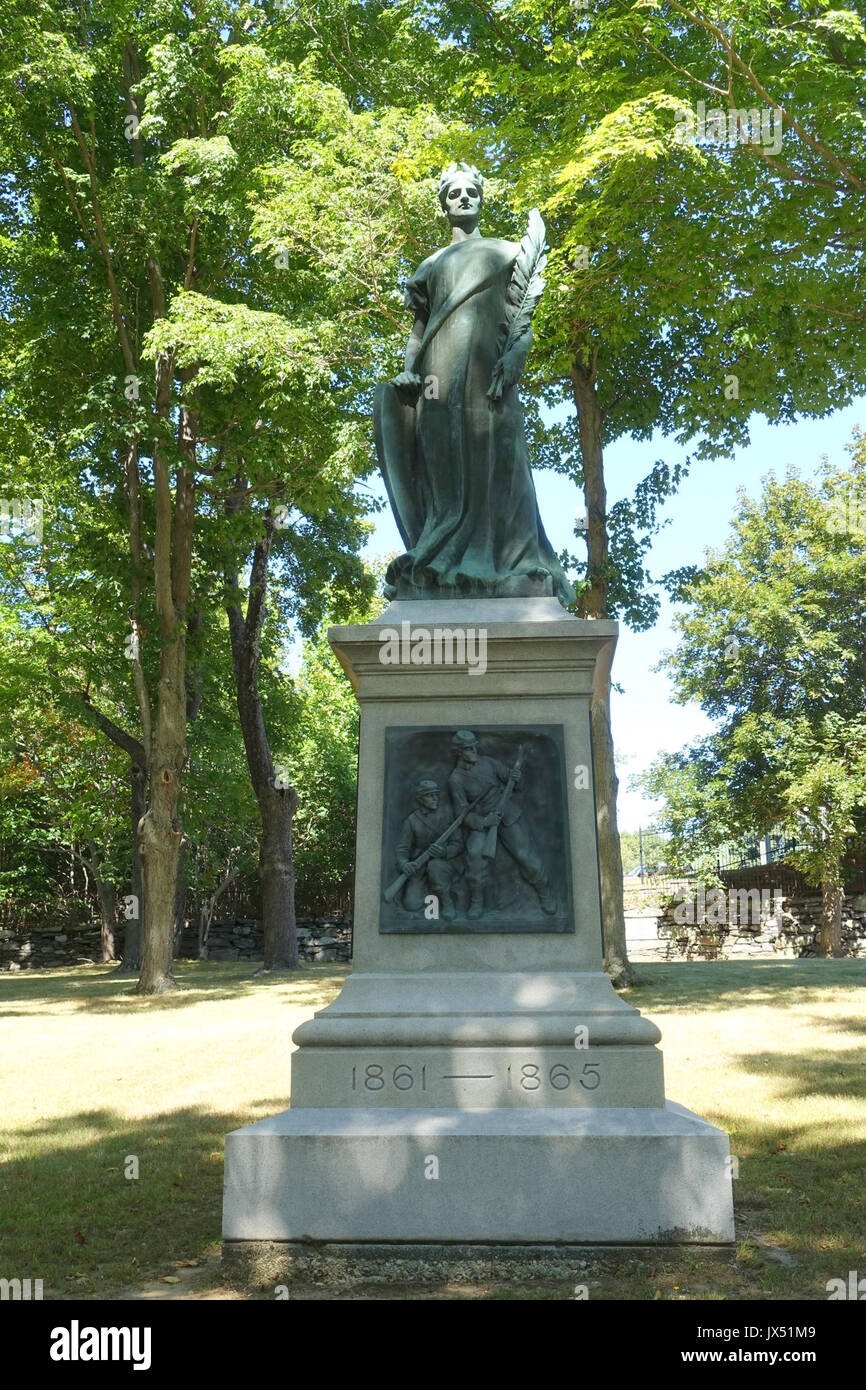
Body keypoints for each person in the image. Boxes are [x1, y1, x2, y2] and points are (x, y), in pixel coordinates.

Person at [374, 162, 574, 604]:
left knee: (503, 461)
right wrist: (409, 369)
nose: (463, 198)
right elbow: (419, 328)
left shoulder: (506, 253)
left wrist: (518, 351)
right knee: (445, 468)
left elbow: (521, 312)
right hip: (437, 376)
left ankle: (514, 562)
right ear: (443, 205)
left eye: (471, 192)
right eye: (454, 193)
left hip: (491, 377)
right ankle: (445, 556)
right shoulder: (430, 265)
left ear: (482, 199)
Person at [447, 729, 556, 919]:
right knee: (474, 854)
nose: (473, 750)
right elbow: (461, 814)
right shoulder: (456, 779)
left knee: (525, 855)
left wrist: (515, 777)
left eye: (474, 746)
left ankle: (544, 893)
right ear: (459, 752)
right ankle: (476, 902)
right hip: (482, 821)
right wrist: (483, 822)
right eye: (468, 749)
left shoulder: (489, 762)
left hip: (507, 813)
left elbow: (515, 784)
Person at [394, 779, 462, 919]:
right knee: (411, 904)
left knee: (435, 866)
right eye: (430, 796)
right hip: (421, 866)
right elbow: (402, 850)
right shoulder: (411, 821)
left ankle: (447, 903)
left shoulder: (448, 816)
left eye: (436, 795)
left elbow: (459, 844)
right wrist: (404, 864)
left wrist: (445, 852)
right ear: (420, 799)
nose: (435, 798)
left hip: (445, 863)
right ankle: (428, 891)